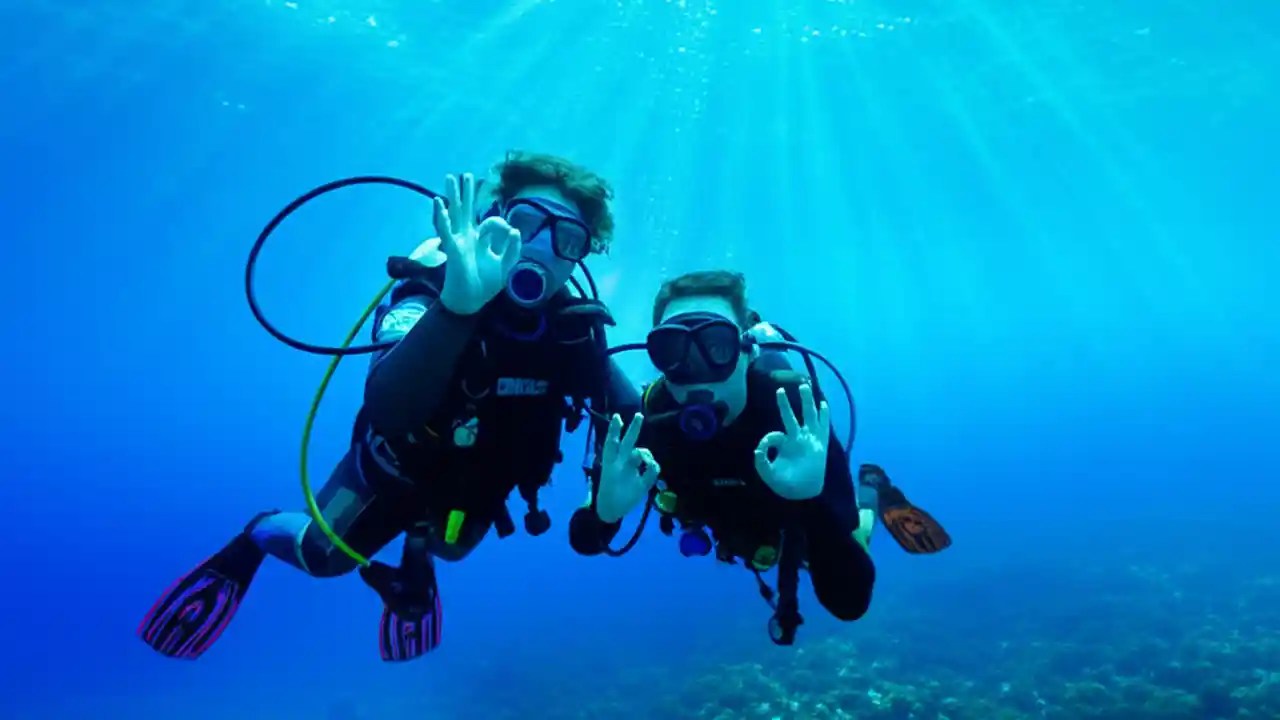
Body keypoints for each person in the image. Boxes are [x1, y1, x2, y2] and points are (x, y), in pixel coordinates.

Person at [138, 152, 639, 661]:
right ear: (495, 219)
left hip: (475, 488)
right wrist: (457, 309)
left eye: (569, 239)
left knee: (452, 549)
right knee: (322, 557)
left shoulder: (575, 332)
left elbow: (638, 421)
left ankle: (420, 541)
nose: (541, 248)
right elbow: (390, 410)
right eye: (526, 221)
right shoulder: (430, 286)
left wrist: (604, 511)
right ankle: (259, 531)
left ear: (580, 257)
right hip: (391, 472)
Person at [568, 270, 950, 644]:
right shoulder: (647, 422)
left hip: (790, 523)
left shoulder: (793, 414)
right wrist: (603, 514)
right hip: (728, 525)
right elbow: (585, 540)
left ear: (747, 351)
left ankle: (872, 487)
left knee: (855, 531)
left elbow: (850, 603)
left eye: (716, 346)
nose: (697, 370)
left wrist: (812, 503)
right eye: (674, 350)